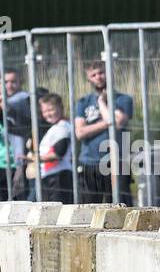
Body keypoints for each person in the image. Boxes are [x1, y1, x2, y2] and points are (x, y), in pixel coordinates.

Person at [73, 60, 134, 204]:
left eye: (101, 73)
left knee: (121, 206)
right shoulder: (83, 102)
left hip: (117, 162)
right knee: (89, 207)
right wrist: (107, 122)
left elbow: (118, 123)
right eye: (93, 75)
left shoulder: (123, 99)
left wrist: (102, 103)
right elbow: (80, 132)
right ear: (89, 78)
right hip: (90, 161)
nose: (98, 77)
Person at [26, 93, 73, 202]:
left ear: (61, 108)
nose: (48, 114)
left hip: (58, 177)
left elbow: (58, 153)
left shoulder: (63, 127)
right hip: (51, 176)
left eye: (51, 110)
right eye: (45, 111)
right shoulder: (56, 127)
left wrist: (33, 158)